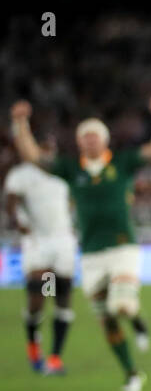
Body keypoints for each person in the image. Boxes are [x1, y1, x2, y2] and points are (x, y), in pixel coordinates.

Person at [10, 97, 151, 391]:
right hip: (91, 254)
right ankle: (131, 374)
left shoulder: (122, 163)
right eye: (84, 136)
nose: (89, 140)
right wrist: (19, 124)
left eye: (94, 135)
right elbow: (34, 157)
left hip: (123, 248)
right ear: (79, 141)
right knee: (106, 320)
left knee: (120, 303)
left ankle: (135, 317)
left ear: (105, 140)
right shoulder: (72, 170)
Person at [3, 143, 77, 375]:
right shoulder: (22, 174)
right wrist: (19, 223)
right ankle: (34, 343)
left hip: (63, 242)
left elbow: (74, 200)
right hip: (39, 243)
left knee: (62, 297)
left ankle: (55, 357)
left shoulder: (63, 174)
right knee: (42, 294)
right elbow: (11, 203)